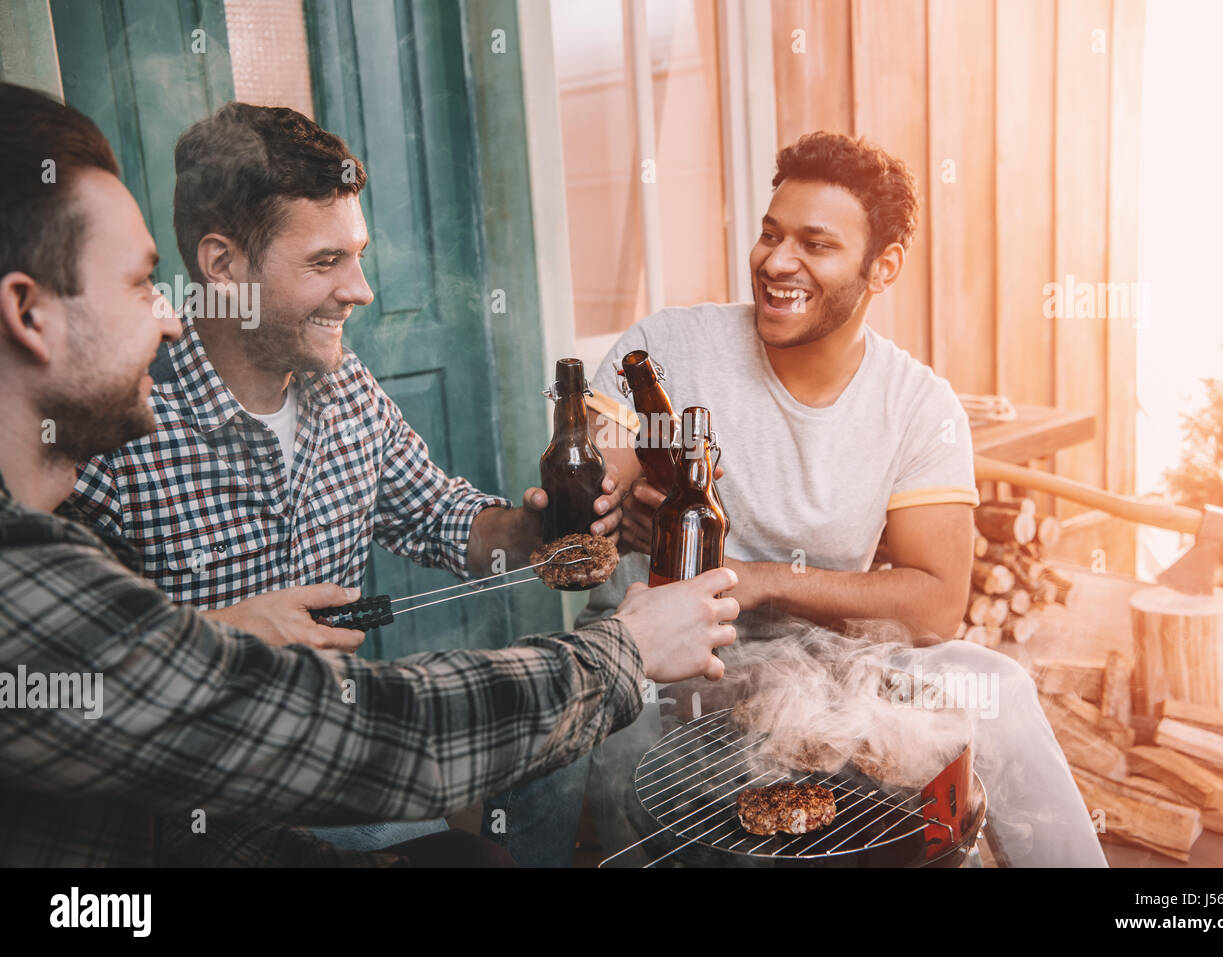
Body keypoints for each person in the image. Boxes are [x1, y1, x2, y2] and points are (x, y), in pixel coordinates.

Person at [0, 81, 739, 866]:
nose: (361, 291)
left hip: (329, 785)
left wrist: (534, 531)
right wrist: (626, 646)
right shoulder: (105, 439)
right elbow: (303, 723)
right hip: (205, 817)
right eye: (326, 261)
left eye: (357, 256)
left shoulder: (341, 383)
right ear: (222, 264)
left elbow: (440, 515)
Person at [486, 132, 1108, 868]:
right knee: (549, 715)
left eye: (816, 245)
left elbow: (937, 602)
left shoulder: (918, 405)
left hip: (828, 666)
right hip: (663, 647)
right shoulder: (668, 348)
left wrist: (762, 580)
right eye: (770, 234)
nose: (777, 262)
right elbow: (600, 485)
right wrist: (588, 510)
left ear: (883, 267)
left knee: (996, 684)